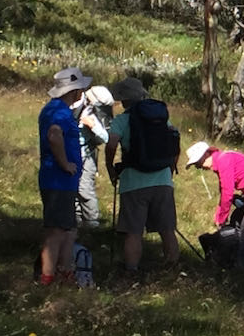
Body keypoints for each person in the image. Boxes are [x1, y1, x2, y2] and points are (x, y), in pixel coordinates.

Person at [104, 76, 178, 277]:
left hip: (133, 182)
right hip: (163, 180)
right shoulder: (160, 117)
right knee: (167, 229)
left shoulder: (122, 120)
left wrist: (110, 167)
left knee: (134, 231)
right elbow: (174, 139)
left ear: (124, 99)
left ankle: (131, 271)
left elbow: (111, 144)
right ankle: (172, 268)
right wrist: (170, 169)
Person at [37, 66, 92, 285]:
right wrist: (65, 163)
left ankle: (65, 272)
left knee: (68, 230)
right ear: (74, 91)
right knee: (57, 231)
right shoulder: (58, 111)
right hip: (58, 180)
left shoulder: (58, 110)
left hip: (64, 182)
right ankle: (48, 277)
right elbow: (54, 135)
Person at [184, 141, 244, 266]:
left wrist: (222, 218)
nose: (197, 167)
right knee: (237, 219)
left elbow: (227, 192)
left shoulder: (224, 160)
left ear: (206, 155)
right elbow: (224, 190)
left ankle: (243, 267)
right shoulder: (221, 161)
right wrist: (219, 214)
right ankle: (232, 256)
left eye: (197, 163)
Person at [74, 84, 114, 230]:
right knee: (73, 188)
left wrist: (92, 126)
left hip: (87, 156)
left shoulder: (91, 115)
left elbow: (106, 137)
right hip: (73, 155)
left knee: (84, 189)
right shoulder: (76, 107)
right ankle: (76, 219)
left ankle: (92, 222)